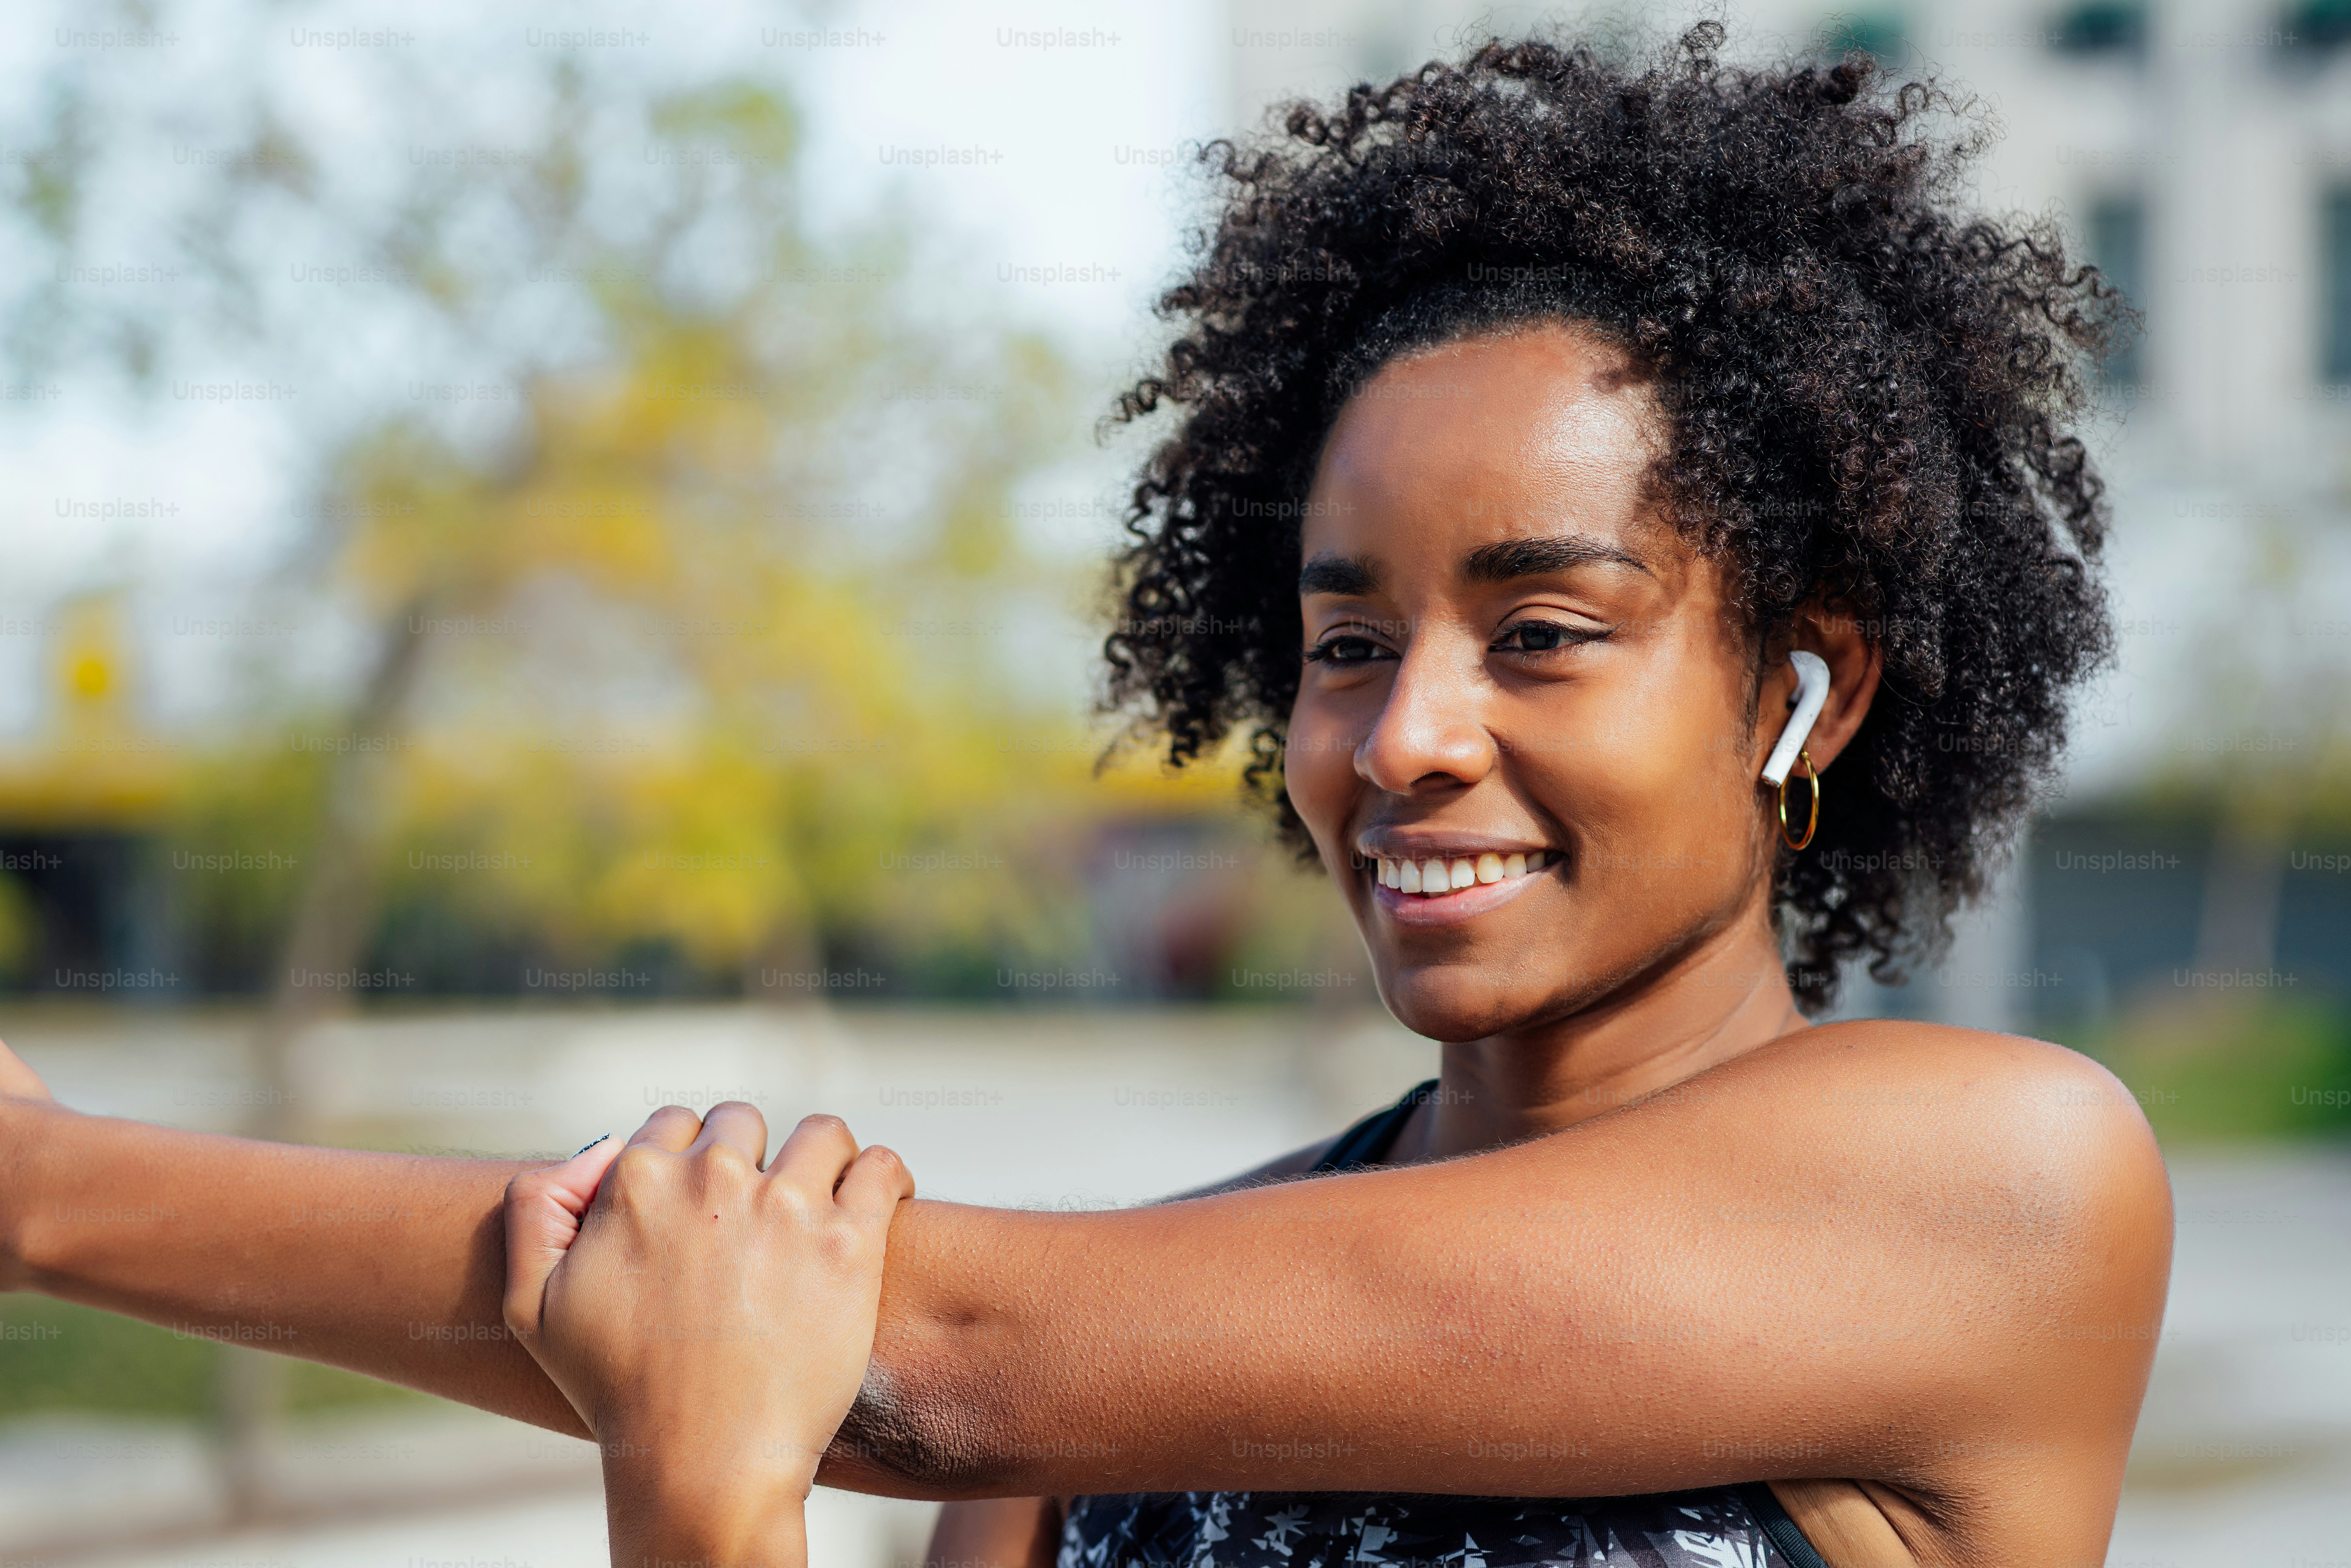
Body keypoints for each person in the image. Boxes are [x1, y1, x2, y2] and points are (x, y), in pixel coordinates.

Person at [0, 29, 2173, 1567]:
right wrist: (699, 1498)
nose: (1404, 734)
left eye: (1543, 630)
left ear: (1805, 689)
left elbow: (924, 1348)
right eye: (1343, 642)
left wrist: (44, 1188)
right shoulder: (1104, 1390)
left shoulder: (1999, 1184)